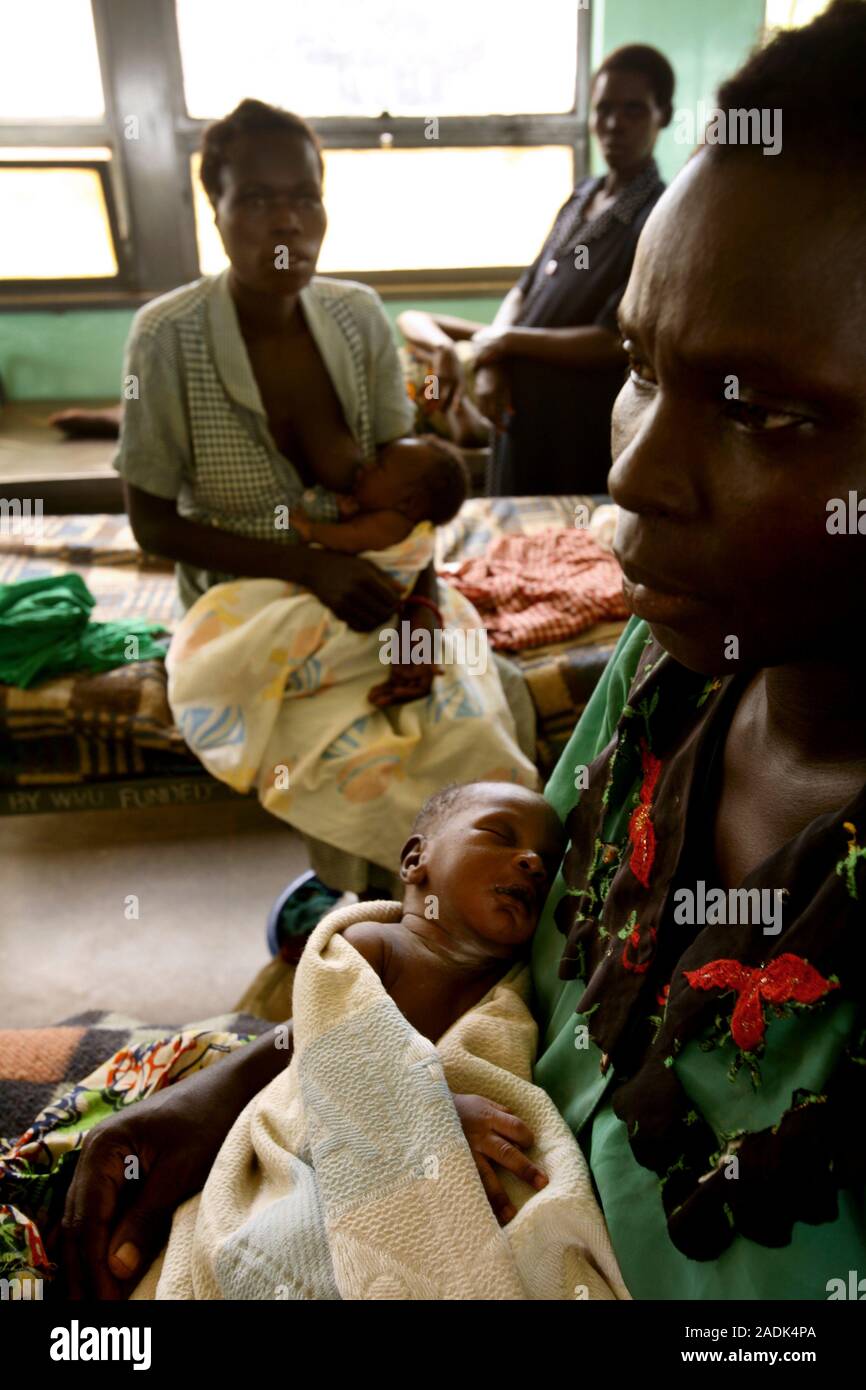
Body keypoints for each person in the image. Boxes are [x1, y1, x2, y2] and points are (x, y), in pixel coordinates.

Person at [60, 2, 866, 1300]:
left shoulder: (357, 329)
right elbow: (482, 942)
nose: (629, 475)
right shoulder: (675, 676)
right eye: (642, 367)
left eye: (765, 414)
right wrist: (259, 1073)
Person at [114, 97, 439, 704]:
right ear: (217, 211)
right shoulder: (166, 336)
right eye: (258, 199)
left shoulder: (359, 316)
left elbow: (411, 488)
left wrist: (422, 613)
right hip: (238, 612)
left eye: (305, 198)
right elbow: (151, 524)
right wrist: (311, 568)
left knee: (458, 727)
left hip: (372, 595)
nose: (287, 221)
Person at [397, 44, 674, 495]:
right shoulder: (582, 196)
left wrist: (501, 342)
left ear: (663, 115)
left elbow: (610, 340)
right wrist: (493, 358)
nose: (613, 124)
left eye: (633, 110)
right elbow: (523, 290)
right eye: (603, 109)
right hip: (517, 419)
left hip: (574, 430)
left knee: (564, 546)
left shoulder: (656, 218)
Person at [292, 434, 468, 553]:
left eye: (379, 467)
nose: (367, 466)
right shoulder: (389, 519)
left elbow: (350, 539)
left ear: (408, 503)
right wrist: (348, 517)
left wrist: (310, 529)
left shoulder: (394, 526)